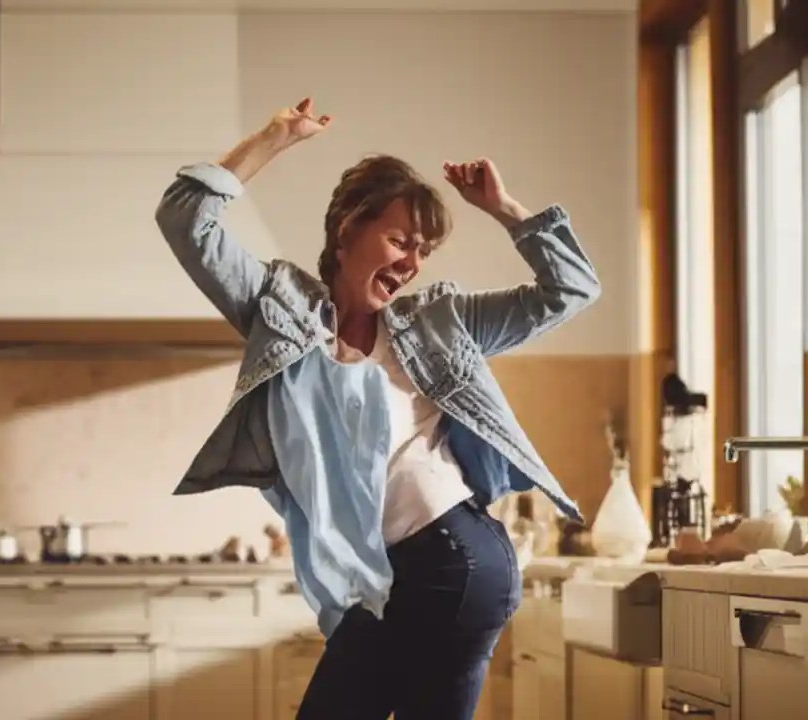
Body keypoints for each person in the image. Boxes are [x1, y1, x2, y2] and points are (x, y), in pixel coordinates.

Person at [155, 97, 601, 720]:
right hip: (396, 574)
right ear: (347, 230)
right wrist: (275, 138)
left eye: (423, 250)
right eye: (399, 240)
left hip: (454, 557)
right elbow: (185, 217)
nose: (412, 263)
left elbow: (572, 287)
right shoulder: (278, 309)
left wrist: (504, 209)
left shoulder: (441, 322)